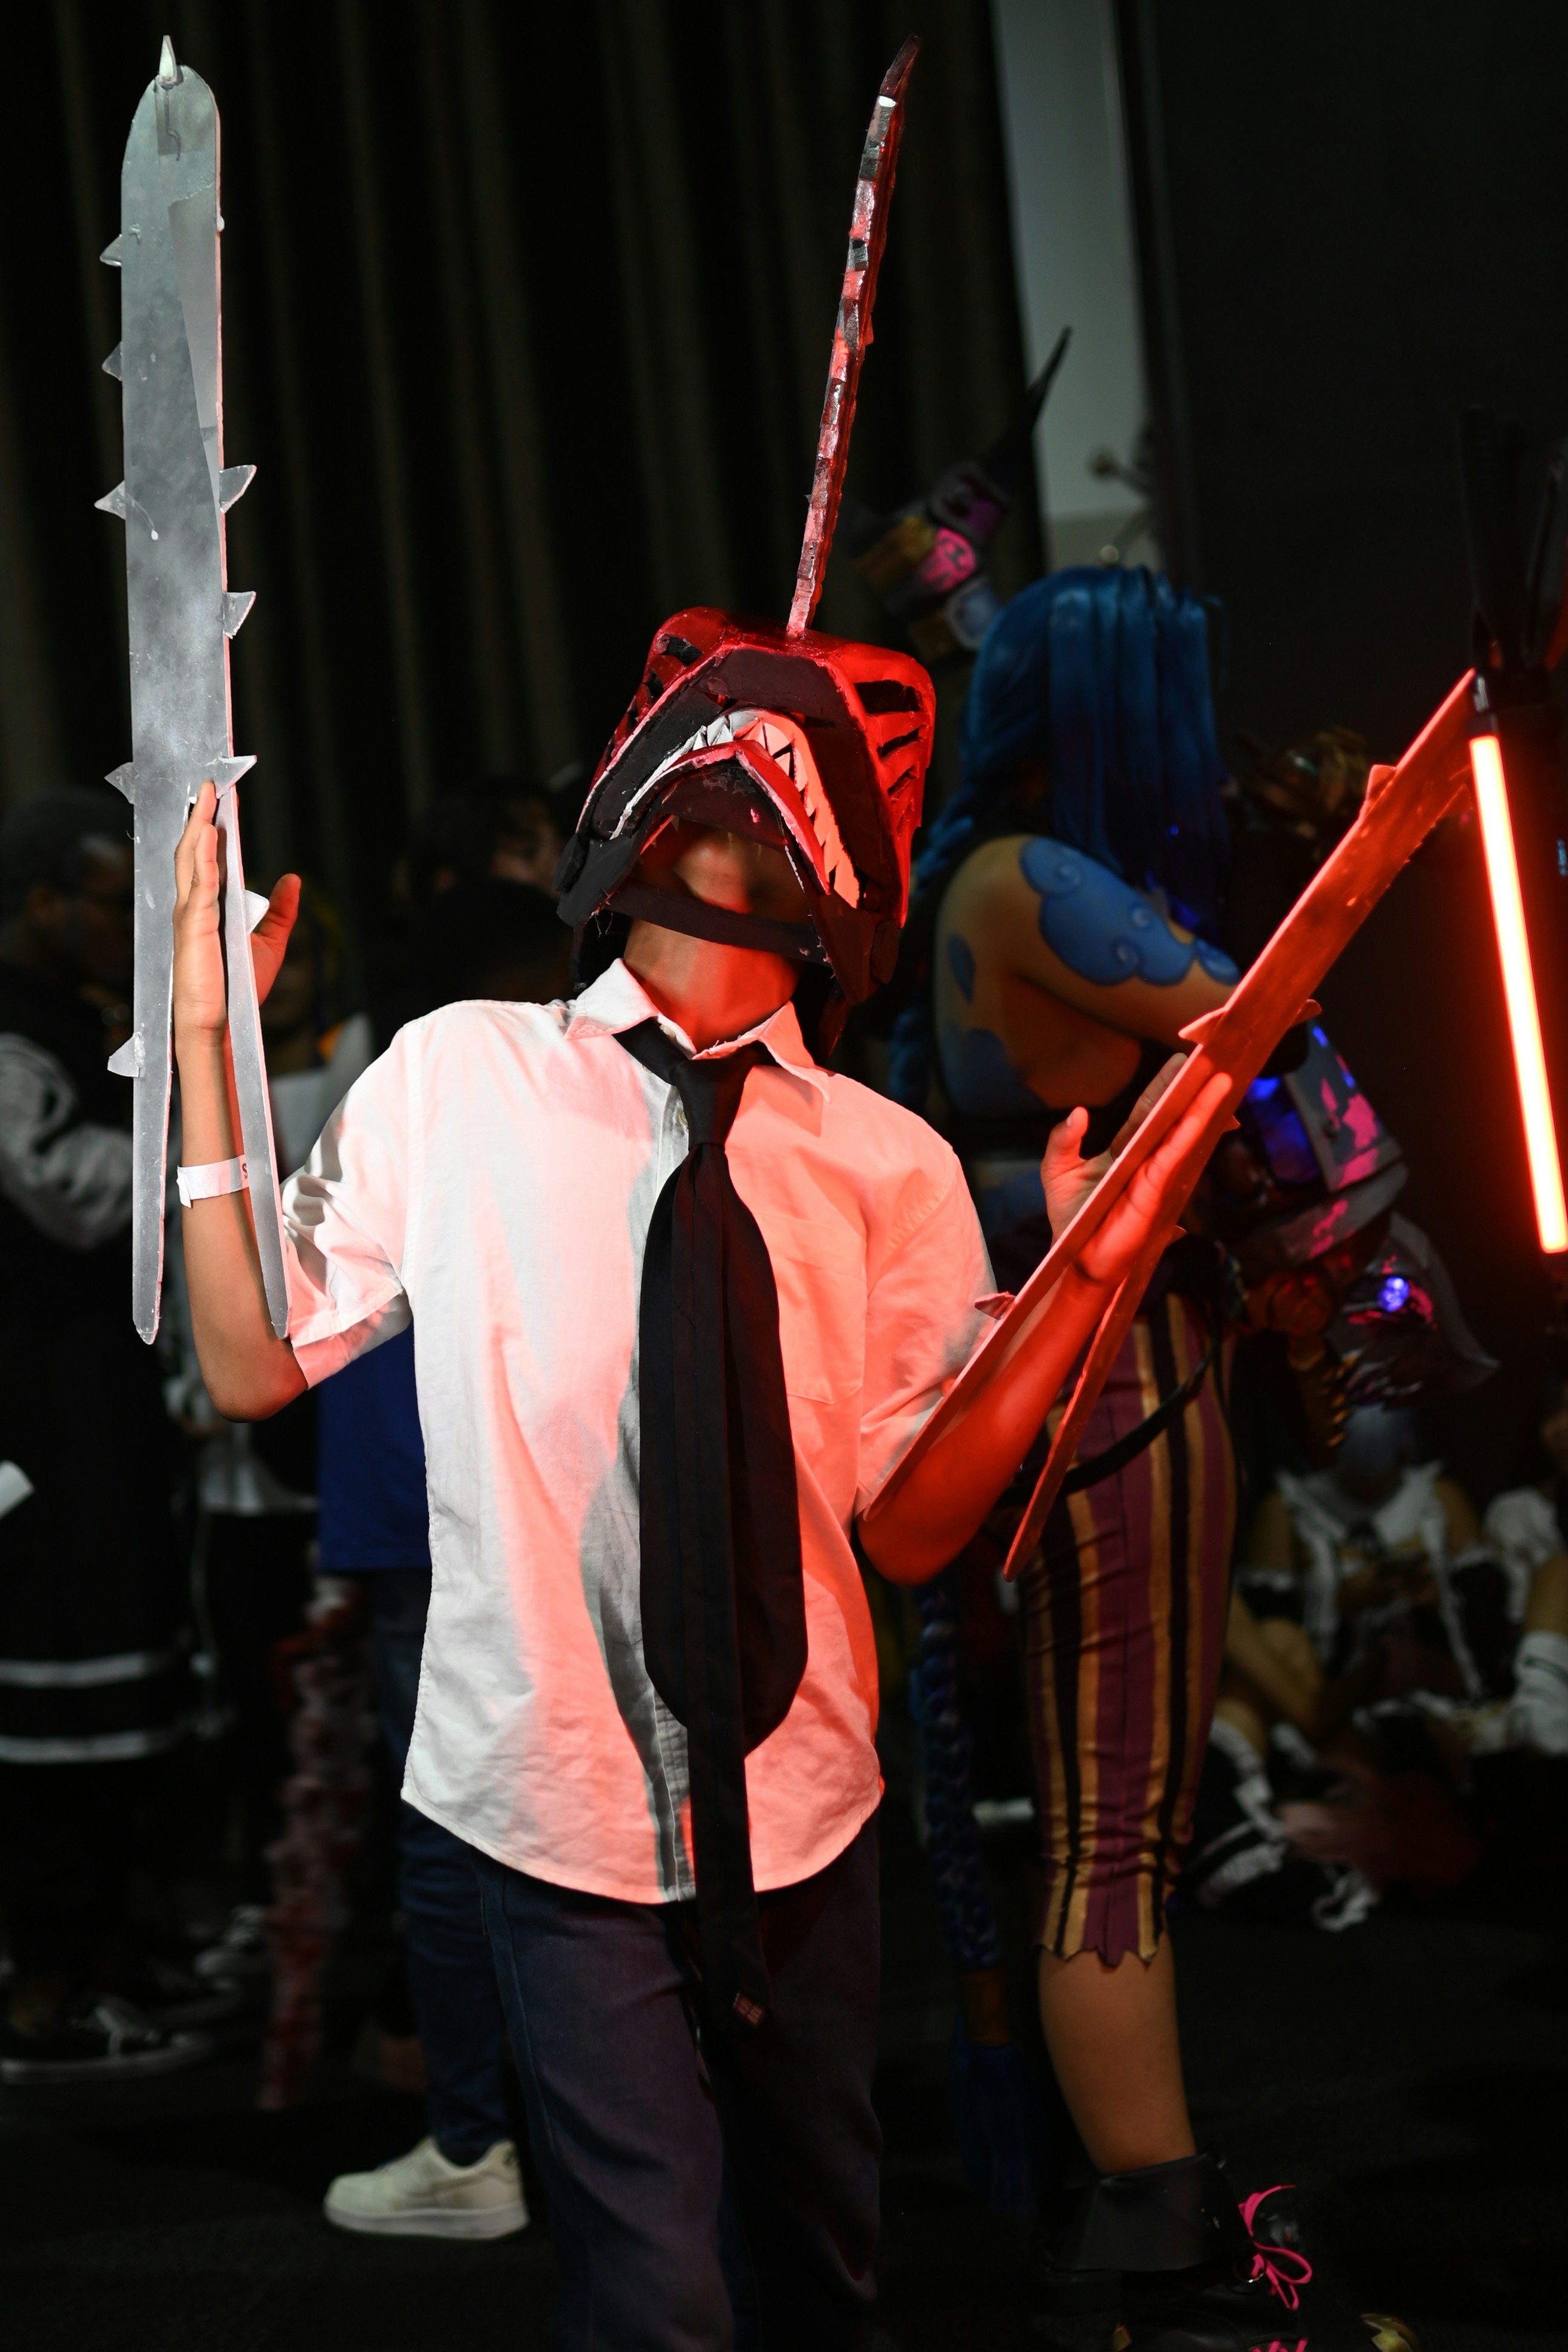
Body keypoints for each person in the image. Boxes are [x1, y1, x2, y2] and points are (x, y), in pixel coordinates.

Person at [167, 581, 1231, 2344]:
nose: (748, 777)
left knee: (821, 2275)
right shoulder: (465, 1077)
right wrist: (210, 1052)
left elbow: (912, 1530)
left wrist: (1081, 1288)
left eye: (799, 762)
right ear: (629, 801)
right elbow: (245, 1357)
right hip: (553, 1813)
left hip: (807, 1816)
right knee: (654, 2301)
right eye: (715, 751)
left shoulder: (885, 1163)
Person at [320, 878, 570, 2240]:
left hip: (431, 1505)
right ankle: (493, 2136)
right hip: (467, 1502)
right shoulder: (509, 1093)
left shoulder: (407, 1094)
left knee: (464, 1836)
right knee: (507, 1831)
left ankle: (484, 2142)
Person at [0, 788, 207, 2081]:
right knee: (57, 1682)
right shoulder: (12, 1032)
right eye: (96, 893)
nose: (115, 919)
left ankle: (117, 1950)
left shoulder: (66, 1023)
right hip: (40, 1404)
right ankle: (49, 1991)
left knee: (123, 1660)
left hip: (97, 1397)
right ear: (38, 904)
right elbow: (66, 1194)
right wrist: (191, 1149)